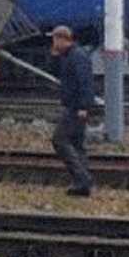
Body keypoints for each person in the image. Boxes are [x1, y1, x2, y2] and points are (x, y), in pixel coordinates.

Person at [48, 24, 95, 197]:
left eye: (54, 39)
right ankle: (83, 183)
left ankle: (81, 178)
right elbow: (56, 74)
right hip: (74, 105)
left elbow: (85, 82)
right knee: (76, 144)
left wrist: (84, 106)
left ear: (62, 39)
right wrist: (53, 57)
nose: (53, 42)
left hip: (76, 107)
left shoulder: (77, 56)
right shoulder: (68, 56)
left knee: (59, 140)